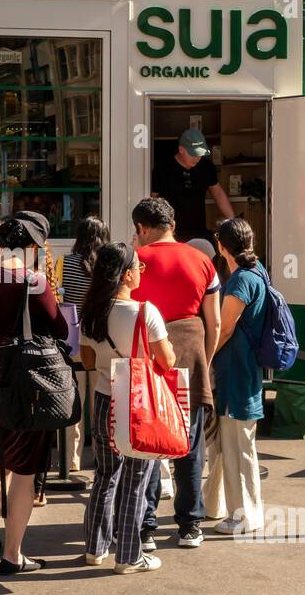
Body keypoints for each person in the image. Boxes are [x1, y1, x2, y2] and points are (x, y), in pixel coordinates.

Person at [0, 210, 69, 574]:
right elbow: (58, 327)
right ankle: (13, 554)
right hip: (26, 377)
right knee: (24, 470)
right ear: (33, 246)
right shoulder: (33, 280)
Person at [130, 197, 221, 551]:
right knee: (190, 443)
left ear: (142, 228)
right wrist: (206, 357)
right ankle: (190, 525)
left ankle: (146, 525)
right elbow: (212, 320)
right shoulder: (201, 261)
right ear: (173, 225)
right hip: (193, 355)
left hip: (148, 358)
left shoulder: (136, 262)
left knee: (149, 442)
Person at [79, 242, 173, 575]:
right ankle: (129, 556)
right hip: (138, 405)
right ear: (127, 274)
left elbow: (88, 361)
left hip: (105, 398)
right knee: (135, 480)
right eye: (139, 268)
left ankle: (95, 547)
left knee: (105, 475)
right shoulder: (145, 313)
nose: (141, 274)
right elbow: (168, 359)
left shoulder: (91, 312)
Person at [206, 218, 267, 535]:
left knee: (236, 447)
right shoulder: (257, 272)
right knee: (233, 444)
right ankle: (224, 507)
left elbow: (225, 327)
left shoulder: (242, 279)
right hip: (243, 371)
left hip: (236, 372)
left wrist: (207, 356)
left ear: (222, 245)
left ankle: (243, 516)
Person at [60, 216, 109, 473]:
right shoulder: (107, 265)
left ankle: (71, 460)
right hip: (100, 336)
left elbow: (63, 298)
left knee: (74, 400)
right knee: (100, 398)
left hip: (74, 338)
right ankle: (102, 454)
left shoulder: (66, 263)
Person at [150, 128, 234, 242]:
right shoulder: (163, 169)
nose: (197, 158)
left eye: (200, 154)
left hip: (199, 232)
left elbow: (218, 193)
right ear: (181, 149)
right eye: (193, 154)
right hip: (170, 233)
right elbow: (153, 200)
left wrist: (233, 220)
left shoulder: (206, 167)